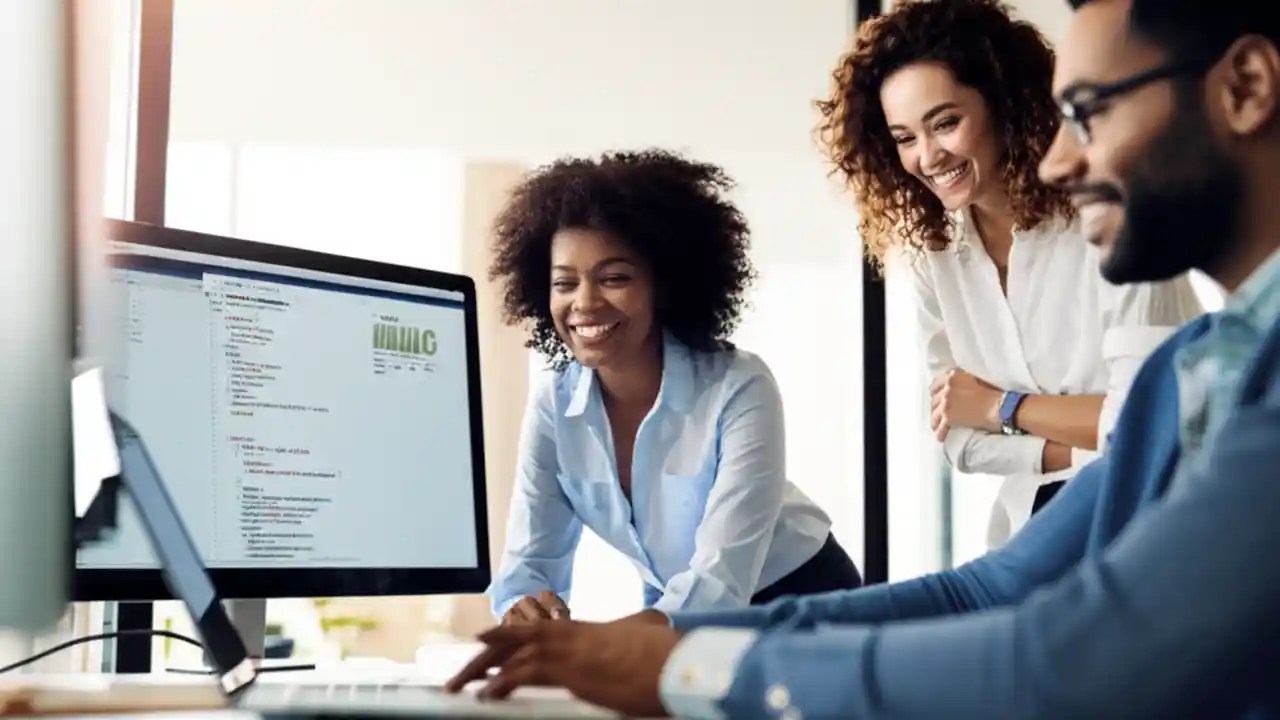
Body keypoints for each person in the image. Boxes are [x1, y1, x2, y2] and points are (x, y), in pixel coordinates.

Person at [444, 1, 1280, 716]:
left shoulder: (1260, 386)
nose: (1060, 159)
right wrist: (669, 635)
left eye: (1092, 111)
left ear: (1245, 89)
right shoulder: (1204, 366)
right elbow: (979, 590)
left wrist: (685, 664)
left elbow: (1064, 658)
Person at [816, 0, 1203, 546]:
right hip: (1027, 529)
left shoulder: (1109, 221)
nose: (927, 156)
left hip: (1153, 518)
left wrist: (1002, 407)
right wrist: (1082, 435)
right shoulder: (937, 253)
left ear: (1003, 105)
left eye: (945, 123)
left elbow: (1153, 420)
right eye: (904, 138)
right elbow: (960, 440)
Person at [484, 149, 861, 626]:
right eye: (564, 283)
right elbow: (528, 569)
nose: (584, 303)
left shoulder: (739, 385)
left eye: (614, 278)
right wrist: (529, 615)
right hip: (677, 607)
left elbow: (720, 581)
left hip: (804, 600)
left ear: (662, 286)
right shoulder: (554, 405)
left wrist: (595, 646)